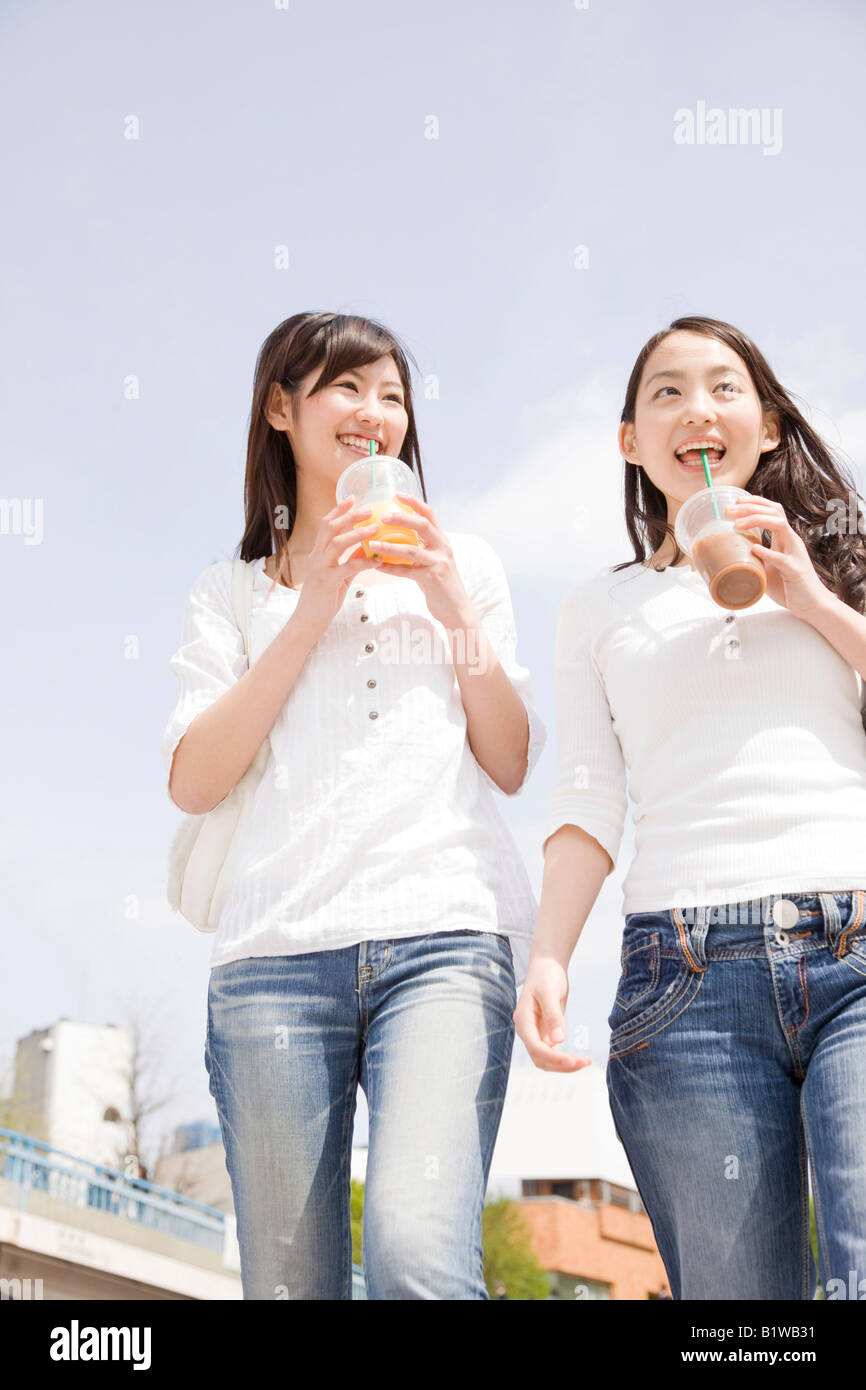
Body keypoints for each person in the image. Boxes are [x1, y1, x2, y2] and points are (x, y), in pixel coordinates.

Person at [161, 311, 545, 1299]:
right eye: (347, 387)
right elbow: (194, 778)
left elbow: (509, 758)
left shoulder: (469, 567)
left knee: (417, 1256)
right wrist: (315, 597)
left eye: (393, 396)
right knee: (290, 1287)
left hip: (445, 941)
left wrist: (451, 598)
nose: (376, 413)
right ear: (280, 408)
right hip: (272, 961)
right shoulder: (232, 592)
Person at [515, 315, 866, 1301]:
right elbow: (587, 791)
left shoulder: (842, 565)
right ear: (629, 440)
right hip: (685, 976)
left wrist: (806, 595)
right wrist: (546, 955)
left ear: (762, 424)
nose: (694, 407)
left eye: (721, 386)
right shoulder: (598, 607)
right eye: (663, 391)